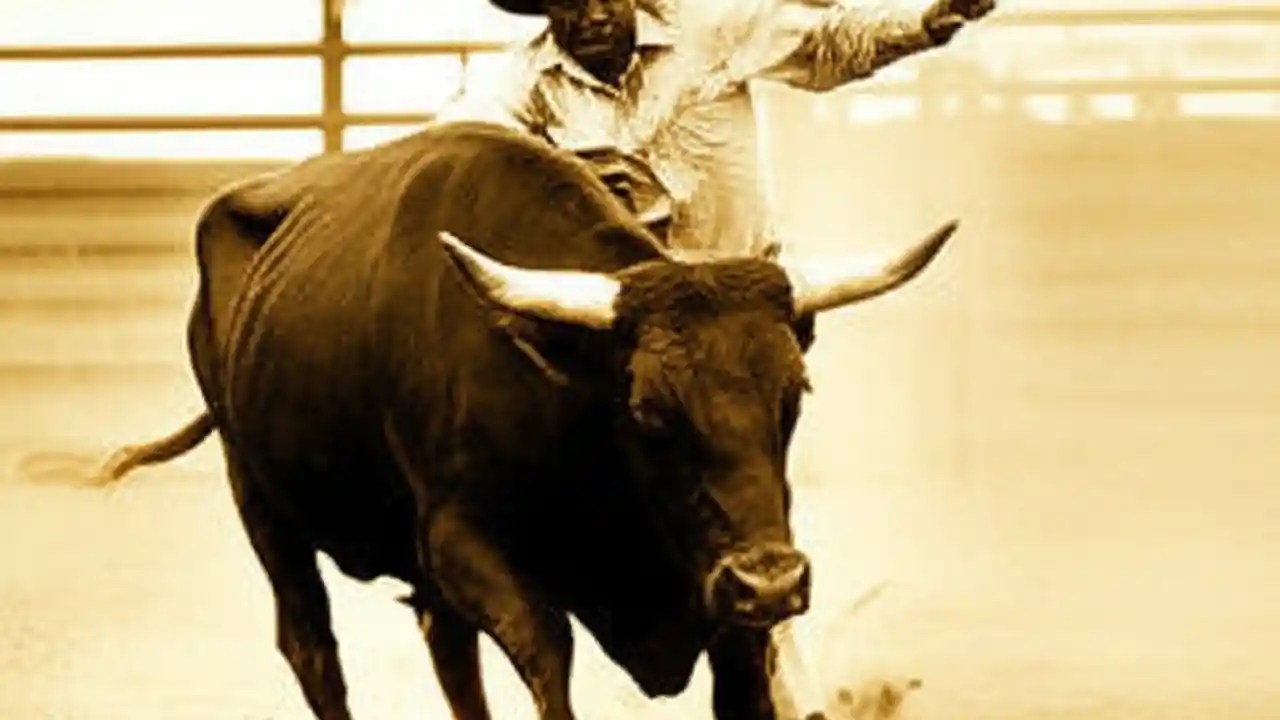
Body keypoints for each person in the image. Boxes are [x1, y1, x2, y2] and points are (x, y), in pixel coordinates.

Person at [436, 0, 995, 256]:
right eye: (570, 2)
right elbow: (461, 136)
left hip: (738, 286)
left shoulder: (712, 27)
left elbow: (826, 41)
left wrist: (925, 22)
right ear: (546, 11)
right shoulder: (526, 81)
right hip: (626, 307)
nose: (594, 15)